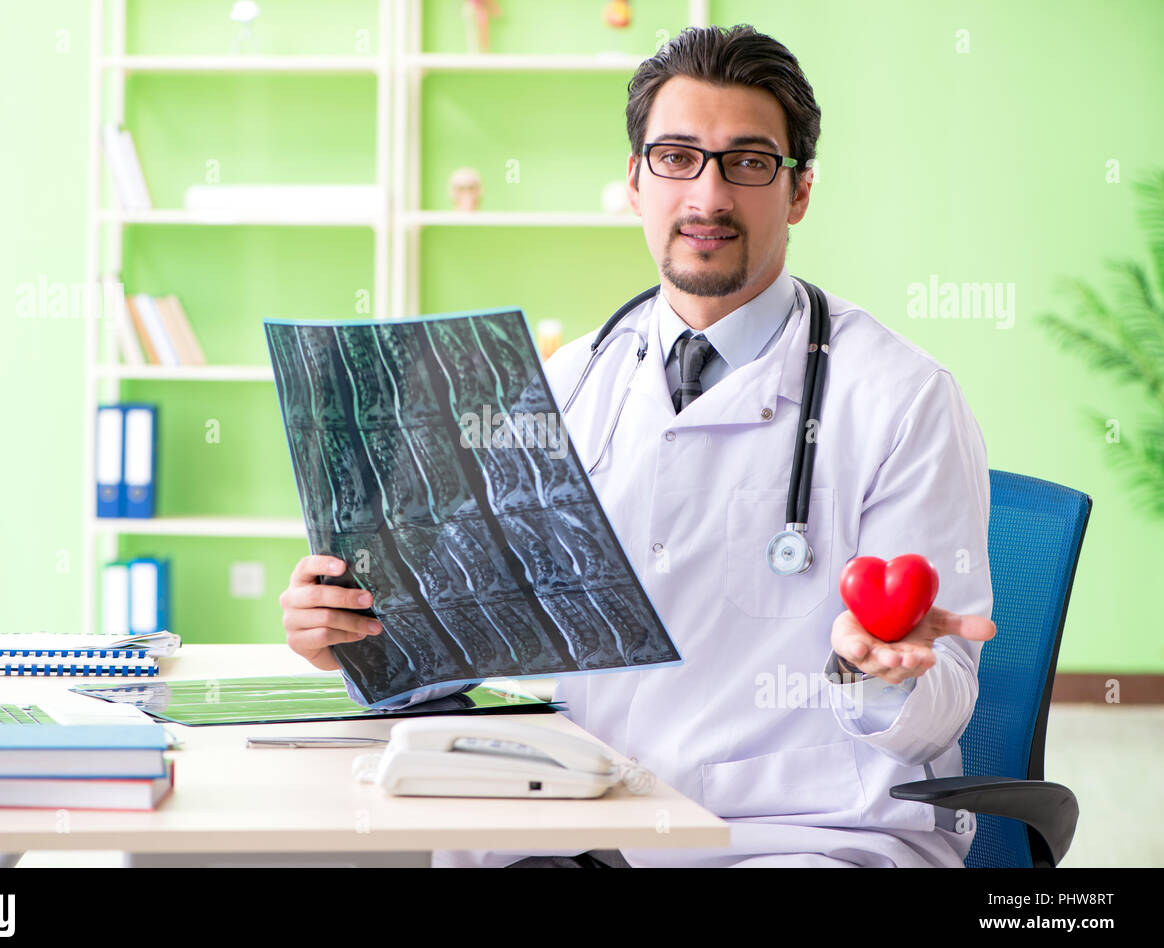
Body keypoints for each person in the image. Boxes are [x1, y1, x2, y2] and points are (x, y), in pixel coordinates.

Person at [279, 23, 997, 867]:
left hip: (796, 837)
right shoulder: (563, 381)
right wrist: (353, 632)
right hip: (572, 820)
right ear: (635, 180)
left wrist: (885, 672)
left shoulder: (901, 398)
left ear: (798, 191)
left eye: (750, 162)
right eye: (677, 157)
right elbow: (470, 632)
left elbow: (943, 701)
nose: (708, 196)